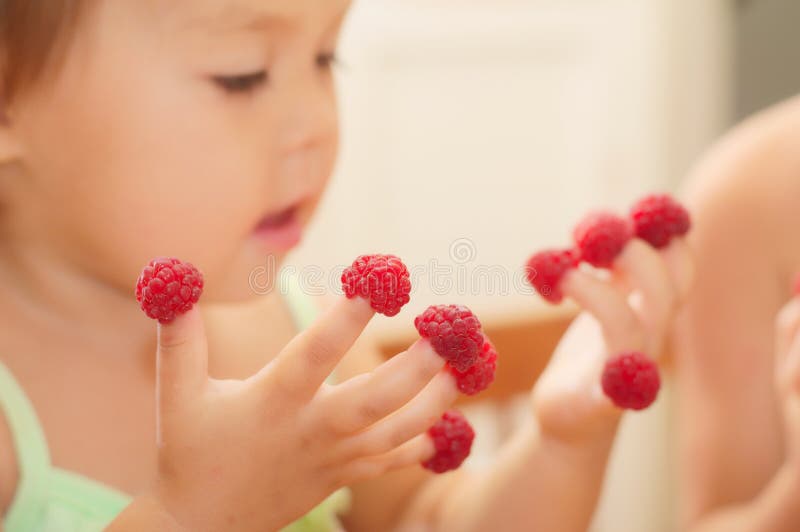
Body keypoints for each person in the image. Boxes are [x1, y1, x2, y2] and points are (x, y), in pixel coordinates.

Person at [0, 1, 691, 530]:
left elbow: (426, 517)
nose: (317, 123)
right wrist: (190, 516)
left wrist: (564, 444)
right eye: (241, 74)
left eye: (327, 60)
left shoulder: (299, 332)